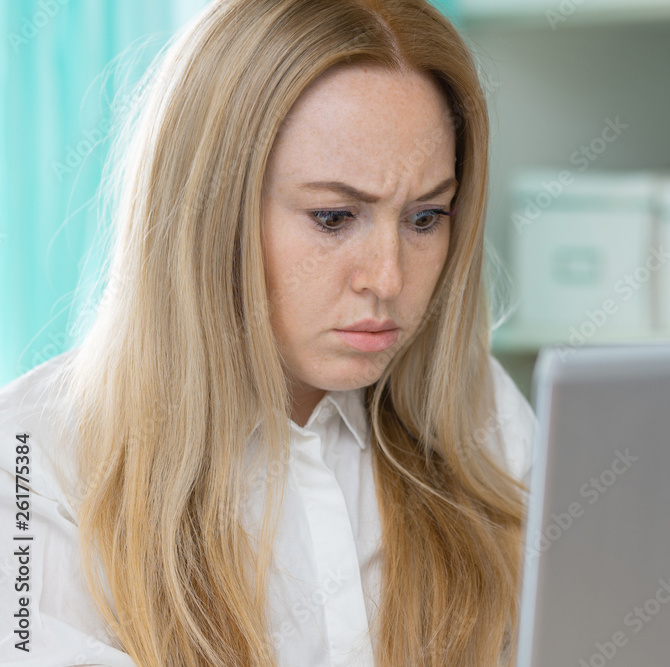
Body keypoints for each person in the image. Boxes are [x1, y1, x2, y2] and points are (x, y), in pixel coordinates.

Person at [0, 0, 537, 665]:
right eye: (335, 217)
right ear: (210, 211)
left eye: (425, 218)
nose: (388, 278)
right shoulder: (29, 459)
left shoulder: (478, 415)